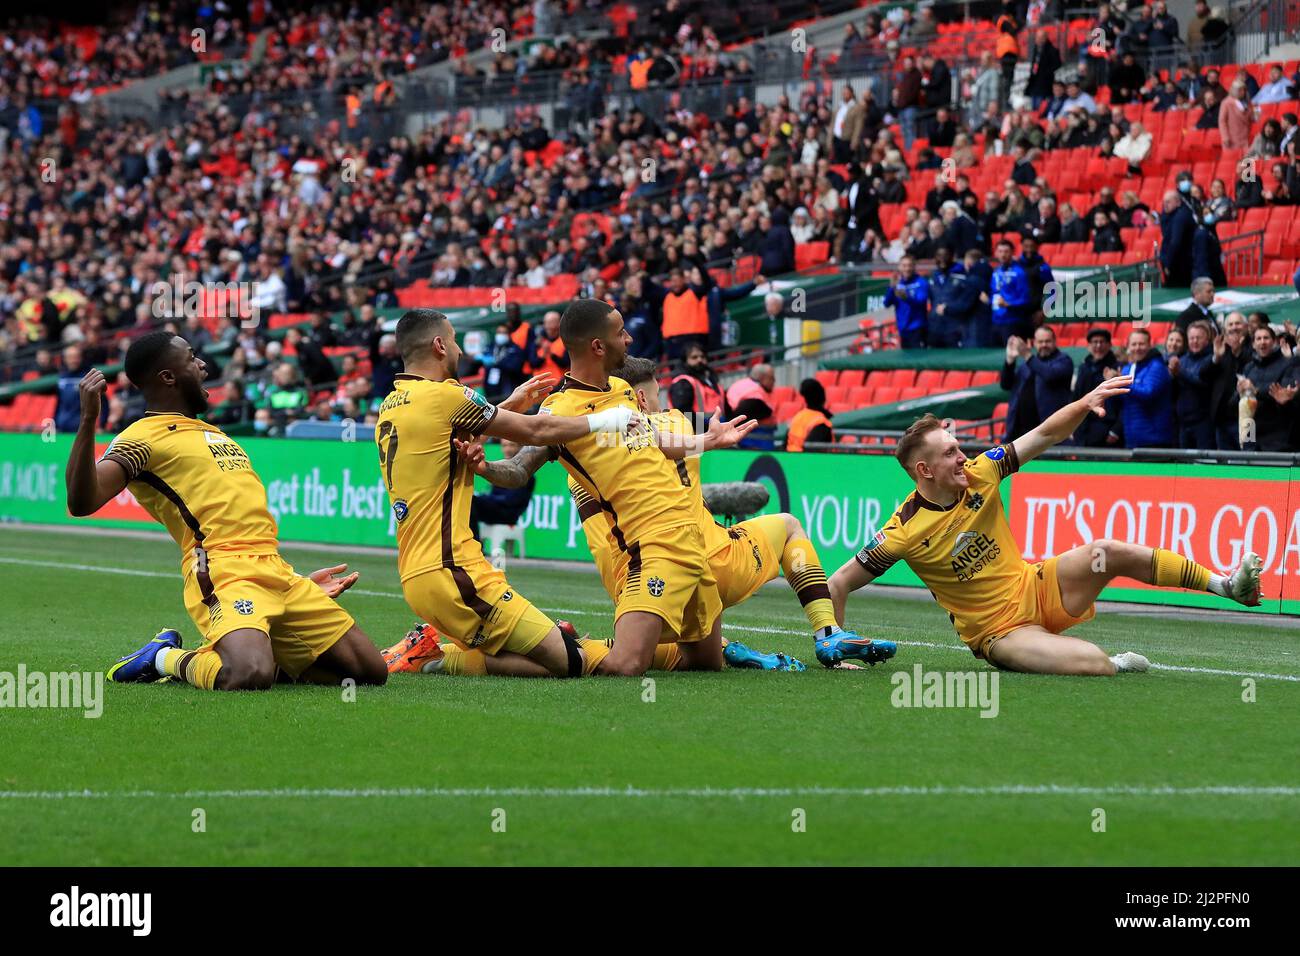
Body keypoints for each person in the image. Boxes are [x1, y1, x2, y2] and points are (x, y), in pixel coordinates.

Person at [466, 356, 885, 670]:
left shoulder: (584, 442)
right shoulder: (675, 425)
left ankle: (556, 646)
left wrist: (500, 446)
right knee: (788, 527)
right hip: (706, 558)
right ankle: (827, 632)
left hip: (635, 572)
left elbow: (529, 455)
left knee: (639, 659)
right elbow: (695, 476)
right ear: (644, 396)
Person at [827, 401, 1264, 676]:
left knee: (1106, 552)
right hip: (1000, 635)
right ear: (924, 471)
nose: (963, 457)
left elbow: (1046, 435)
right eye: (950, 453)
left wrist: (1087, 401)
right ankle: (1113, 663)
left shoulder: (982, 472)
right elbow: (838, 583)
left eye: (959, 447)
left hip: (1038, 585)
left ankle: (1227, 585)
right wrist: (834, 646)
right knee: (1094, 664)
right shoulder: (902, 531)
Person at [66, 331, 389, 691]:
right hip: (219, 568)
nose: (202, 364)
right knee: (248, 674)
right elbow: (82, 502)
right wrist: (87, 421)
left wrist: (298, 583)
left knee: (368, 672)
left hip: (276, 569)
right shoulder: (141, 438)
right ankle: (162, 657)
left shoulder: (214, 432)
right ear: (168, 377)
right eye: (191, 358)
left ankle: (264, 644)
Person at [373, 308, 642, 680]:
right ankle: (434, 657)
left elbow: (462, 432)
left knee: (555, 652)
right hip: (456, 573)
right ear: (439, 345)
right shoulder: (445, 396)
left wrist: (514, 402)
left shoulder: (393, 404)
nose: (459, 351)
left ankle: (431, 653)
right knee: (574, 661)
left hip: (418, 574)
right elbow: (536, 431)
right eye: (453, 341)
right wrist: (606, 419)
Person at [1000, 327, 1073, 442]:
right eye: (1040, 341)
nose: (1044, 345)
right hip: (1020, 432)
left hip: (1049, 433)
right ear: (1034, 342)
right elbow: (1006, 385)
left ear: (1055, 341)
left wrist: (1027, 355)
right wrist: (1010, 361)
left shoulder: (1064, 361)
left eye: (1047, 341)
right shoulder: (1026, 364)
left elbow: (1049, 375)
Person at [1239, 325, 1298, 452]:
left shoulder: (1287, 363)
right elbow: (1236, 402)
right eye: (1258, 339)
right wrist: (1239, 394)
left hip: (1278, 438)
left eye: (1266, 338)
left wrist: (1255, 390)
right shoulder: (1248, 368)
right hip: (1251, 436)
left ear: (1274, 341)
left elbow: (1282, 393)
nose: (1262, 342)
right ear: (1253, 344)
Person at [1119, 328, 1175, 448]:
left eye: (1141, 344)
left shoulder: (1157, 367)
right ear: (1128, 346)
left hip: (1155, 439)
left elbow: (1148, 393)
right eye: (1134, 344)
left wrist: (1120, 381)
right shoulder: (1127, 369)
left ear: (1150, 345)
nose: (1137, 348)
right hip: (1131, 438)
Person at [470, 438, 535, 539]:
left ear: (520, 447)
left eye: (511, 445)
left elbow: (512, 501)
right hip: (496, 509)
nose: (507, 449)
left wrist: (485, 498)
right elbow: (494, 496)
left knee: (472, 501)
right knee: (468, 502)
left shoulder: (526, 474)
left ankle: (477, 543)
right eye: (504, 446)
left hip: (508, 514)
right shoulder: (500, 470)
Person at [1169, 320, 1218, 449]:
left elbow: (1201, 382)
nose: (1194, 341)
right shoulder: (1183, 359)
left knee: (1205, 463)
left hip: (1203, 422)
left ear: (1207, 340)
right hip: (1183, 422)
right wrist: (1172, 374)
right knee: (1184, 464)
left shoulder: (1211, 360)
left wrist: (1179, 372)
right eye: (1192, 338)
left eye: (1198, 338)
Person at [1071, 328, 1122, 446]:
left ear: (1109, 345)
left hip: (1108, 432)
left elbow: (1125, 403)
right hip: (1083, 430)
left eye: (1102, 342)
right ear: (1088, 346)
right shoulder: (1084, 368)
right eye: (1095, 342)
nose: (1098, 345)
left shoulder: (1118, 368)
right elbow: (1076, 397)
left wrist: (1116, 430)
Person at [1211, 312, 1253, 449]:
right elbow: (1203, 374)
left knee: (1249, 459)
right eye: (1230, 324)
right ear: (1224, 329)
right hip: (1222, 419)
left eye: (1238, 323)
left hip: (1247, 419)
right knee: (1224, 466)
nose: (1234, 327)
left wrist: (1238, 352)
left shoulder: (1255, 346)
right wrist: (1216, 358)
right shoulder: (1220, 348)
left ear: (1246, 327)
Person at [670, 342, 728, 429]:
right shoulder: (683, 381)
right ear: (685, 360)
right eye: (694, 357)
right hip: (698, 432)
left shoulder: (711, 378)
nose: (699, 360)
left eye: (702, 357)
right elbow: (684, 412)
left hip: (715, 427)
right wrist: (705, 428)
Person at [990, 239, 1031, 344]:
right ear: (996, 253)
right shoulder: (996, 272)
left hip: (1012, 321)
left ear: (1012, 253)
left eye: (1006, 251)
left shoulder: (1019, 273)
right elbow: (994, 292)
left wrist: (1009, 304)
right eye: (1000, 251)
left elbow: (1025, 298)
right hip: (995, 320)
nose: (1003, 255)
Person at [885, 253, 930, 349]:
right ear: (899, 267)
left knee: (919, 360)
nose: (907, 269)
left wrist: (907, 297)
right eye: (904, 266)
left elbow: (921, 301)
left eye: (909, 265)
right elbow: (886, 303)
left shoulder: (921, 282)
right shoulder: (897, 283)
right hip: (903, 330)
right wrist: (891, 288)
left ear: (914, 267)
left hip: (917, 328)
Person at [1159, 190, 1197, 288]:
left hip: (1179, 264)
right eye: (1164, 202)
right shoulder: (1168, 216)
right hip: (1176, 262)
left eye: (1168, 202)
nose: (1165, 205)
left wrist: (1168, 263)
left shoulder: (1180, 217)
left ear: (1178, 202)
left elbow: (1175, 242)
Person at [787, 378, 835, 452]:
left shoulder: (798, 416)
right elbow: (812, 451)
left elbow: (786, 443)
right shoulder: (820, 423)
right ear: (822, 398)